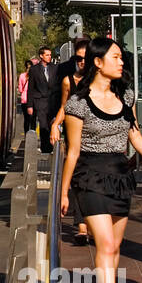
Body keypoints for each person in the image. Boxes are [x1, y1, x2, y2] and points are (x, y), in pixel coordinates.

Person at [61, 36, 142, 283]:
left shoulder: (126, 96)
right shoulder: (77, 104)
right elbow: (73, 151)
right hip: (89, 175)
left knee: (115, 246)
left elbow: (135, 137)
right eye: (115, 57)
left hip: (119, 175)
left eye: (121, 57)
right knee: (104, 243)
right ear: (98, 62)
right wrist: (64, 191)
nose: (121, 62)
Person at [50, 38, 89, 243]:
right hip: (75, 138)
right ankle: (81, 225)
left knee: (91, 183)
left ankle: (89, 221)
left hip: (94, 140)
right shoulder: (68, 80)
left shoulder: (101, 81)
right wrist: (56, 124)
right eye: (78, 58)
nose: (82, 62)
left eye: (86, 58)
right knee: (78, 180)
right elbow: (64, 107)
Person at [26, 45, 56, 152]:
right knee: (43, 126)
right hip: (39, 101)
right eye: (47, 55)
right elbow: (30, 88)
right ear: (41, 56)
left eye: (50, 55)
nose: (49, 57)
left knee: (51, 125)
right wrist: (30, 105)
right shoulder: (34, 70)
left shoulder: (54, 68)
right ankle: (45, 148)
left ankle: (52, 146)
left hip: (52, 102)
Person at [18, 59, 33, 133]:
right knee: (32, 119)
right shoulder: (34, 76)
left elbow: (20, 89)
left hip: (24, 100)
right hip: (33, 100)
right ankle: (33, 134)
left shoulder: (21, 76)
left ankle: (26, 134)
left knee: (26, 119)